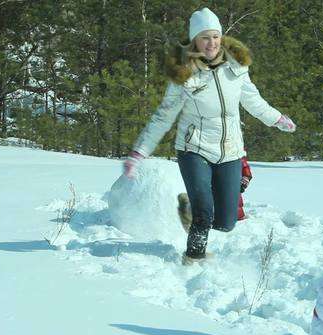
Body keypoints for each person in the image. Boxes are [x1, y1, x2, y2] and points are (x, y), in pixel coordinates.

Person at [123, 7, 296, 264]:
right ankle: (193, 259)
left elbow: (253, 101)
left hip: (230, 150)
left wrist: (276, 118)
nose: (211, 43)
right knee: (204, 213)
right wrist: (140, 151)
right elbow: (164, 116)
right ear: (195, 40)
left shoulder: (236, 67)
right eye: (205, 37)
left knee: (226, 223)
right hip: (194, 148)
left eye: (215, 36)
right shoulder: (184, 74)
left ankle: (189, 208)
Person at [238, 155, 252, 220]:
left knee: (235, 198)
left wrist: (246, 177)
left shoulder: (236, 149)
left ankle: (239, 216)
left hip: (234, 178)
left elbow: (244, 165)